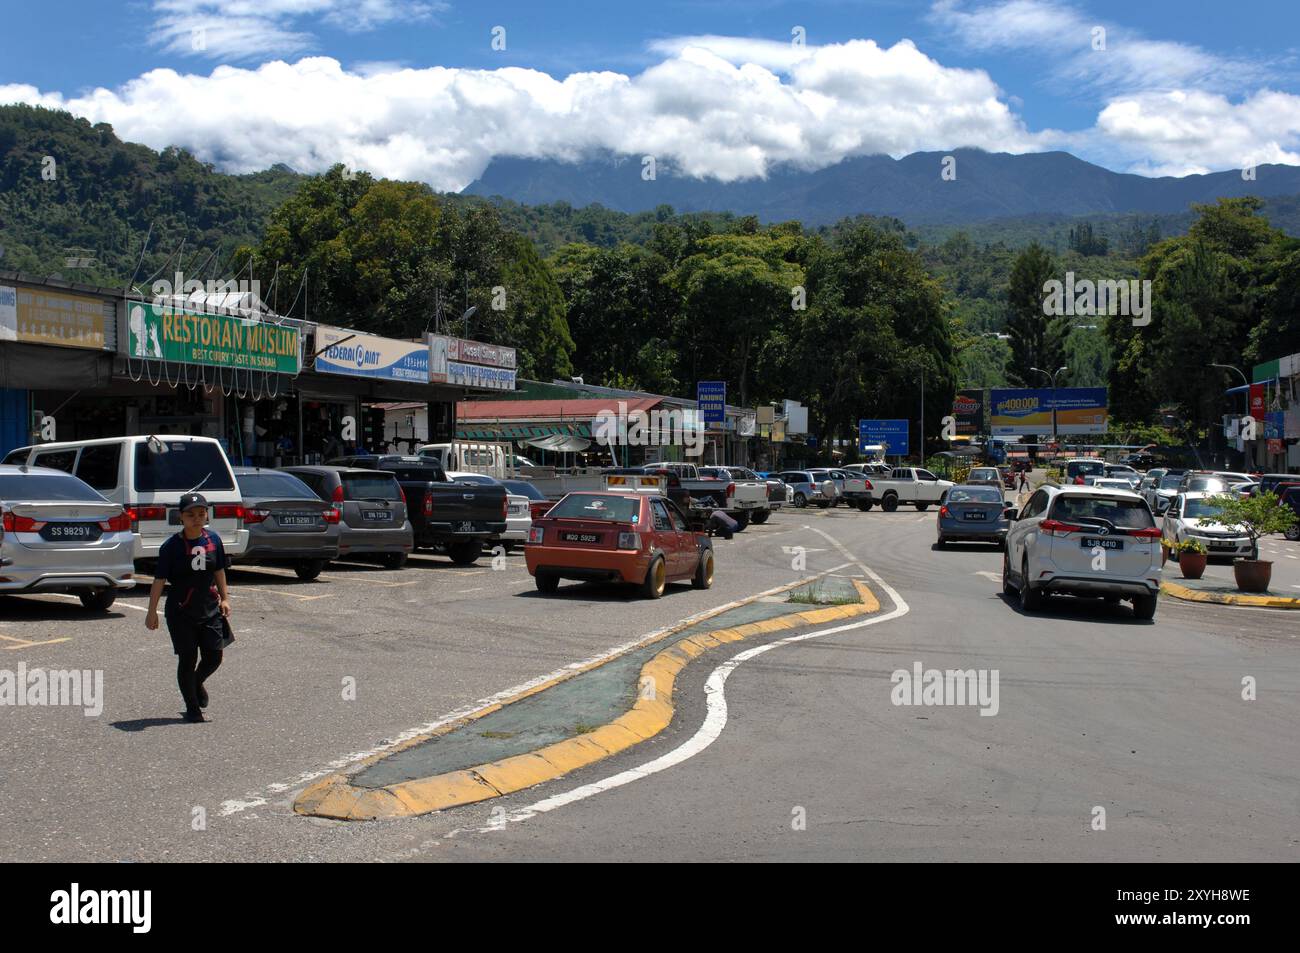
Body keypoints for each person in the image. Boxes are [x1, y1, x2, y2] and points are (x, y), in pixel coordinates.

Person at [145, 493, 232, 723]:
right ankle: (192, 706)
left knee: (214, 656)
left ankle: (195, 683)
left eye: (201, 514)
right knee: (187, 657)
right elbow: (159, 580)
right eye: (190, 515)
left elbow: (219, 570)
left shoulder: (213, 539)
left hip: (209, 608)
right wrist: (151, 611)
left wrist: (225, 598)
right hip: (181, 611)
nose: (196, 518)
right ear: (180, 517)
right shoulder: (171, 547)